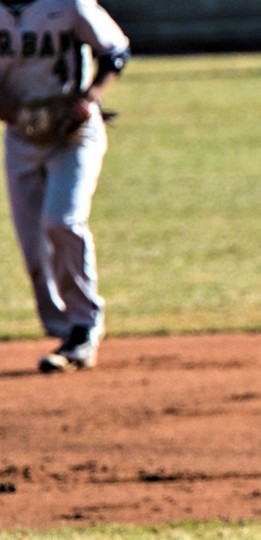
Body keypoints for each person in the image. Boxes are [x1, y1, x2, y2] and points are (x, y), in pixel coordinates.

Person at [0, 0, 129, 372]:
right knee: (33, 250)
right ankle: (65, 332)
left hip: (74, 137)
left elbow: (116, 51)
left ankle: (83, 327)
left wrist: (88, 100)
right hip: (20, 139)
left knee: (62, 221)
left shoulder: (68, 3)